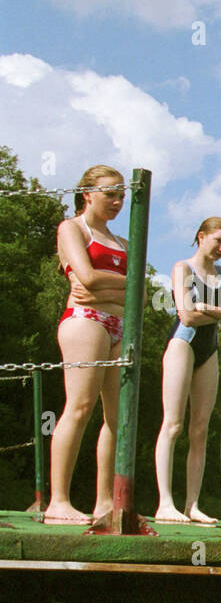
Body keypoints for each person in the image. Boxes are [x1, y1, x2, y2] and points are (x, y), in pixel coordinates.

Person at [44, 166, 128, 525]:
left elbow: (136, 288)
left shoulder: (124, 243)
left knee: (116, 418)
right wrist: (118, 284)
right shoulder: (71, 228)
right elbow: (85, 279)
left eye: (122, 195)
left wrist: (104, 285)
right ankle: (58, 502)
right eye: (110, 193)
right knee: (79, 407)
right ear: (87, 194)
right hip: (84, 322)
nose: (118, 201)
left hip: (120, 327)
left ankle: (104, 503)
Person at [154, 217, 221, 524]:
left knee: (200, 429)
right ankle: (165, 502)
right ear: (201, 236)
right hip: (182, 344)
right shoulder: (183, 268)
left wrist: (204, 307)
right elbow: (186, 318)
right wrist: (218, 313)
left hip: (210, 349)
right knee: (174, 424)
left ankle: (193, 505)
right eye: (218, 241)